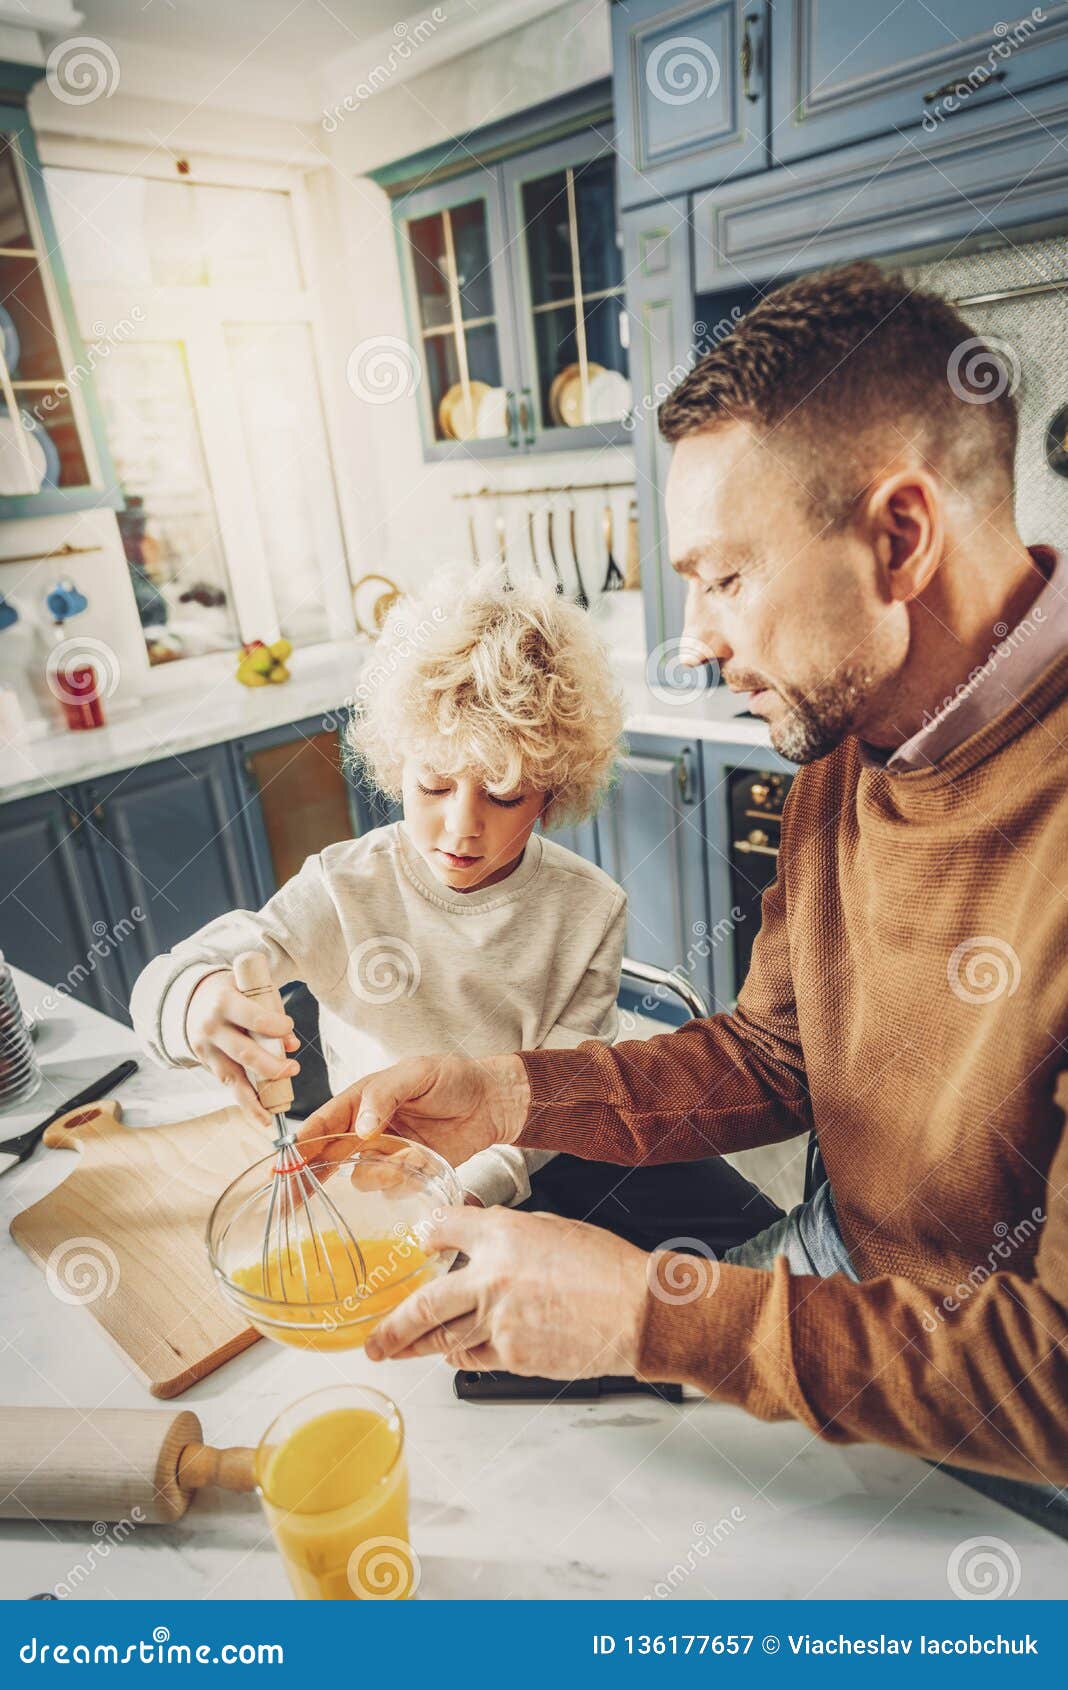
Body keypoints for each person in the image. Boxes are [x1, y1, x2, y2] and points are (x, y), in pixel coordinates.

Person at [305, 262, 1068, 1503]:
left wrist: (652, 1317)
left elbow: (1053, 1376)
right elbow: (778, 1054)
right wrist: (505, 1094)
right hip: (834, 1266)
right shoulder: (850, 728)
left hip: (1001, 1420)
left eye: (726, 577)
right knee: (522, 1451)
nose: (698, 637)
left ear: (902, 536)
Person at [130, 569, 628, 1211]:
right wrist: (194, 1000)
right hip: (375, 1185)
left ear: (553, 795)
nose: (462, 826)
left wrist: (457, 1195)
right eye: (434, 785)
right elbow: (162, 984)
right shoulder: (343, 887)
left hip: (536, 1175)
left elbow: (563, 1096)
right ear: (398, 765)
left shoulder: (591, 910)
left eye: (503, 796)